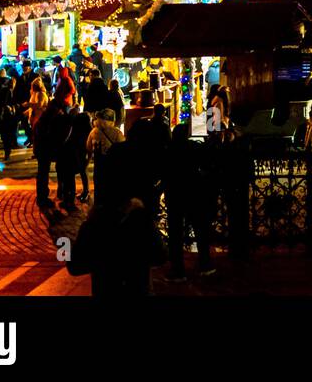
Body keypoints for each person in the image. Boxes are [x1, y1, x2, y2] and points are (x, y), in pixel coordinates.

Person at [67, 144, 166, 296]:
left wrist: (65, 243)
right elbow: (159, 256)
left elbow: (74, 267)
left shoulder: (95, 223)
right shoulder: (140, 219)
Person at [164, 123, 216, 280]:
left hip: (175, 194)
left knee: (175, 234)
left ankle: (178, 270)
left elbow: (164, 171)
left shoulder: (169, 150)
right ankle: (205, 264)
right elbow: (207, 164)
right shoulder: (195, 147)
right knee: (200, 230)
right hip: (194, 193)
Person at [87, 108, 124, 202]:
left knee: (99, 186)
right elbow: (123, 148)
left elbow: (88, 147)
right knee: (111, 186)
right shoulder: (117, 132)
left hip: (99, 164)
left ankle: (98, 205)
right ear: (112, 120)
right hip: (113, 164)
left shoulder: (94, 131)